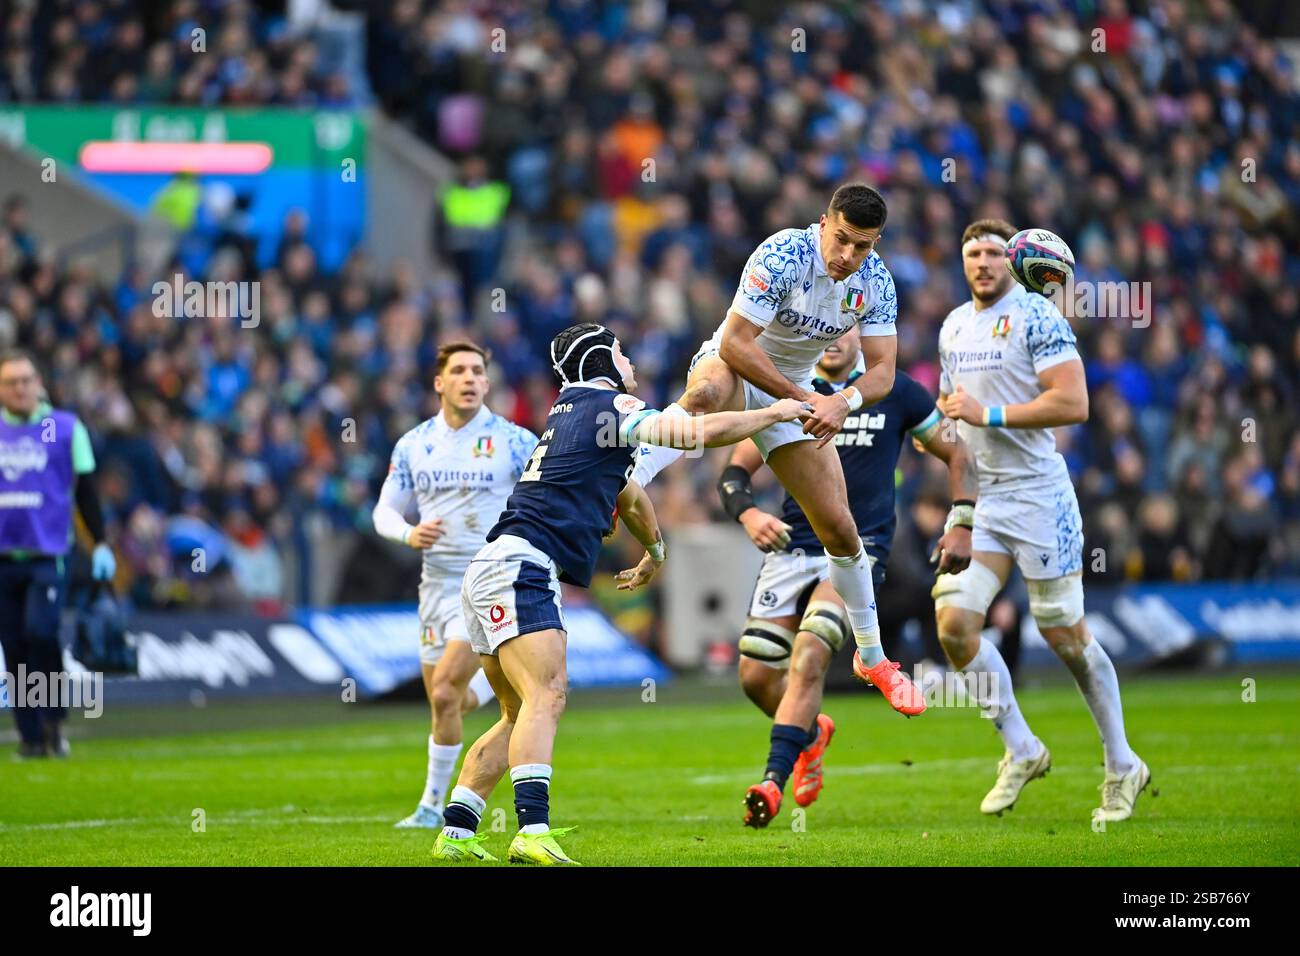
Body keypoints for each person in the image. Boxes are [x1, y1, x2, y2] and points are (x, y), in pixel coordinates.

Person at [431, 323, 810, 865]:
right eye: (622, 353)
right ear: (604, 360)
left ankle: (458, 832)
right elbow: (689, 434)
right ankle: (532, 831)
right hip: (522, 566)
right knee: (549, 695)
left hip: (496, 567)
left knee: (519, 712)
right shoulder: (609, 402)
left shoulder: (572, 414)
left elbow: (629, 494)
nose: (630, 361)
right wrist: (772, 413)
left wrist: (655, 552)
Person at [632, 182, 925, 715]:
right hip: (746, 366)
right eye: (841, 240)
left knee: (839, 527)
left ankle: (874, 657)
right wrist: (801, 397)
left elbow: (884, 369)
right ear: (823, 222)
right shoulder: (784, 253)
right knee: (704, 394)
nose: (848, 256)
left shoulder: (876, 281)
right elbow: (734, 342)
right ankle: (624, 475)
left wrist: (845, 400)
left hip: (799, 387)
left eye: (863, 246)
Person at [933, 219, 1149, 823]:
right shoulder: (952, 327)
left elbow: (1073, 404)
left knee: (1065, 639)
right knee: (953, 625)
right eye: (972, 251)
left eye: (995, 252)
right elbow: (955, 422)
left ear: (1017, 260)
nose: (982, 262)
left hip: (1038, 495)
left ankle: (1122, 762)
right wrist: (954, 494)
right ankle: (1022, 749)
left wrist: (988, 412)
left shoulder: (1038, 316)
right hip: (989, 501)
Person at [719, 331, 978, 827]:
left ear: (864, 332)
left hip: (859, 551)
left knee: (811, 652)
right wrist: (748, 514)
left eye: (846, 328)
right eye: (827, 329)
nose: (835, 339)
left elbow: (958, 453)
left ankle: (772, 780)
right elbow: (734, 473)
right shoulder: (793, 391)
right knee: (755, 676)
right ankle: (811, 736)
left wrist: (962, 520)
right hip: (792, 550)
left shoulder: (896, 392)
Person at [372, 341, 538, 829]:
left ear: (487, 384)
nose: (469, 378)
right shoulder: (414, 444)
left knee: (445, 688)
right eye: (459, 371)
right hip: (435, 585)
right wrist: (408, 532)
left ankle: (429, 806)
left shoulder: (515, 441)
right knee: (448, 700)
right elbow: (384, 510)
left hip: (487, 579)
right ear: (439, 383)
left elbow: (548, 493)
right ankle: (494, 690)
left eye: (478, 371)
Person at [0, 350, 115, 757]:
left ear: (38, 383)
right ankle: (31, 737)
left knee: (41, 633)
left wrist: (99, 541)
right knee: (13, 647)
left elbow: (85, 490)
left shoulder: (61, 429)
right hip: (2, 557)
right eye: (11, 382)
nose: (19, 388)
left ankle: (53, 721)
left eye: (25, 380)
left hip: (49, 552)